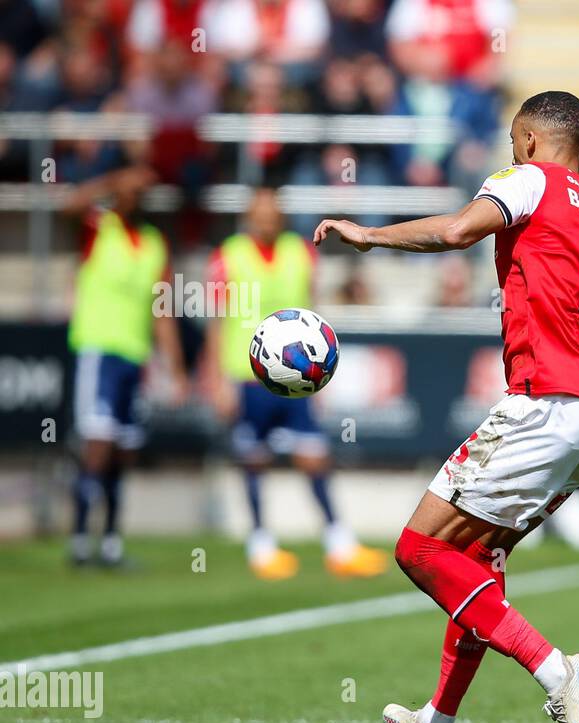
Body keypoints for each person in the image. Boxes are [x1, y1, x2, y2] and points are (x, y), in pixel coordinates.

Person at [314, 91, 579, 723]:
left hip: (547, 401)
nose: (510, 151)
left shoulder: (528, 181)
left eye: (511, 141)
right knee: (478, 559)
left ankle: (559, 674)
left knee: (417, 549)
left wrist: (370, 235)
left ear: (529, 139)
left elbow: (457, 232)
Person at [204, 187, 386, 580]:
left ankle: (339, 543)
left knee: (314, 457)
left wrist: (321, 380)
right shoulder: (229, 255)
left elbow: (312, 315)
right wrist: (216, 380)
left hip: (299, 379)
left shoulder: (299, 252)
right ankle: (260, 543)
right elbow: (217, 322)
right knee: (254, 459)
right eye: (260, 212)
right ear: (250, 216)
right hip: (247, 376)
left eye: (273, 212)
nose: (267, 219)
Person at [65, 164, 185, 568]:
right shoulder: (100, 228)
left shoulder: (153, 243)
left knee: (124, 450)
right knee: (97, 446)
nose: (134, 197)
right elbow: (67, 204)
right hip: (99, 351)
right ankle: (81, 540)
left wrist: (176, 369)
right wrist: (114, 178)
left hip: (135, 357)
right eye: (128, 191)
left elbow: (162, 311)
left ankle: (112, 540)